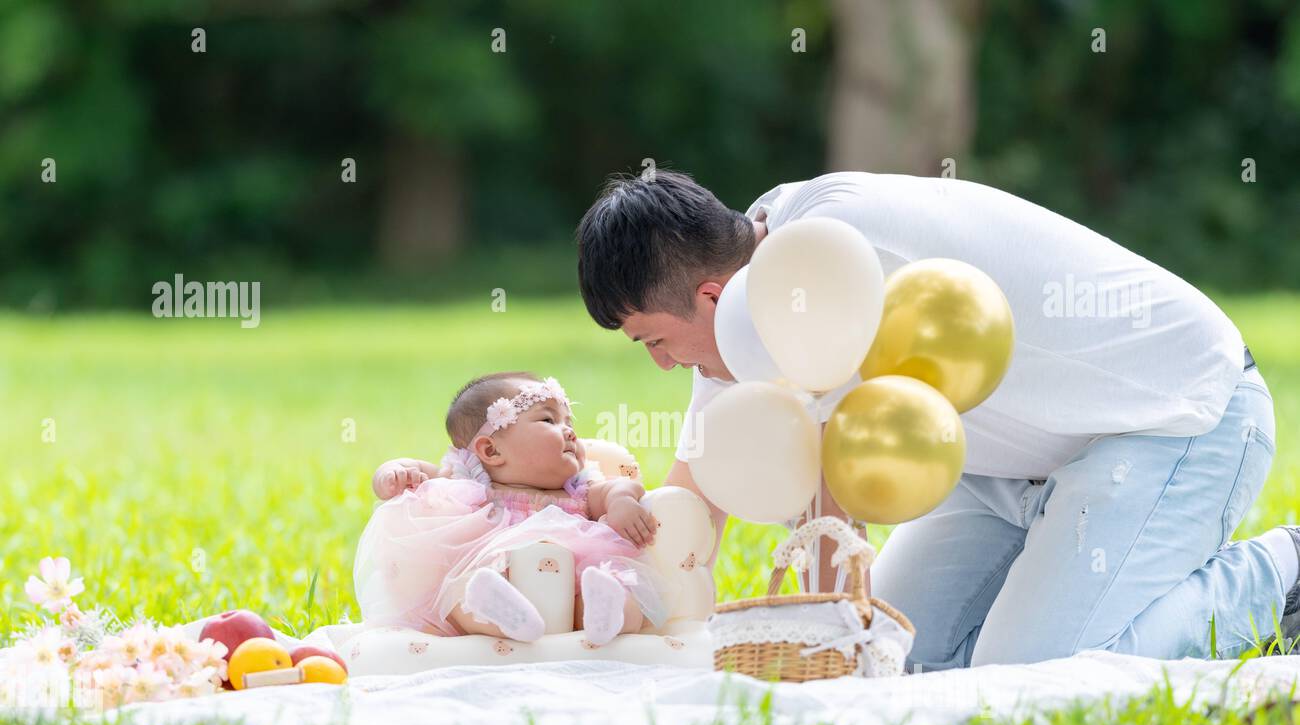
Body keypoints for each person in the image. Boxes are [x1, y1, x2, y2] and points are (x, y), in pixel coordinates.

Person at [576, 169, 1300, 669]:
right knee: (904, 658)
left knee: (1033, 677)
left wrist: (825, 641)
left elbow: (830, 518)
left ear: (707, 296)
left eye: (655, 343)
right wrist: (592, 573)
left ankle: (1282, 569)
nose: (665, 367)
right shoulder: (752, 290)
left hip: (1175, 417)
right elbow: (697, 497)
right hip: (1007, 472)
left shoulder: (828, 257)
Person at [356, 372, 671, 644]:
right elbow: (414, 469)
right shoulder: (470, 480)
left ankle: (605, 610)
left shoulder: (580, 489)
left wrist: (622, 503)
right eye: (549, 420)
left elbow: (620, 486)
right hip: (496, 570)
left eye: (569, 421)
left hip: (571, 580)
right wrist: (393, 473)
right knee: (458, 592)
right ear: (491, 450)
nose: (571, 432)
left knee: (619, 584)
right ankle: (497, 610)